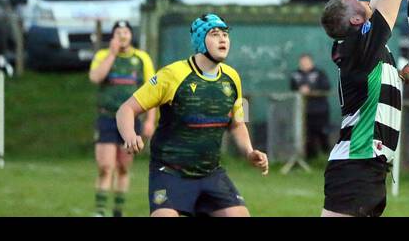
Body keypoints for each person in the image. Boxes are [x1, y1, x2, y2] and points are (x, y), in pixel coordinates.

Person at [118, 13, 268, 216]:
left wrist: (250, 151)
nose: (223, 39)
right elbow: (126, 109)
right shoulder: (171, 75)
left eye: (225, 34)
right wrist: (129, 135)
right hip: (170, 173)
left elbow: (238, 123)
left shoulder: (233, 77)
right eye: (215, 34)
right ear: (200, 39)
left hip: (211, 174)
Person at [318, 0, 408, 217]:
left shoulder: (359, 43)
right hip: (357, 163)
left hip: (366, 165)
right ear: (357, 20)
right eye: (358, 2)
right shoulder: (359, 47)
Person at [88, 21, 156, 216]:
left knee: (124, 167)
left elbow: (152, 91)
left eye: (126, 32)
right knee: (105, 166)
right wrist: (111, 54)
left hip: (130, 122)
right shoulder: (103, 55)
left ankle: (118, 210)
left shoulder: (141, 58)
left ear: (131, 35)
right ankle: (100, 211)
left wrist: (150, 120)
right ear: (113, 36)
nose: (123, 36)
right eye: (118, 32)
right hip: (107, 117)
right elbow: (95, 77)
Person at [290, 53, 333, 161]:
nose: (304, 64)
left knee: (323, 134)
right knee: (308, 136)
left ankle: (328, 158)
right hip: (304, 112)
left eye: (306, 62)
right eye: (302, 62)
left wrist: (310, 89)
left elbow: (326, 86)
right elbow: (293, 88)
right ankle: (311, 159)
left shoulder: (320, 73)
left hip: (320, 110)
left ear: (311, 62)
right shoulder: (296, 75)